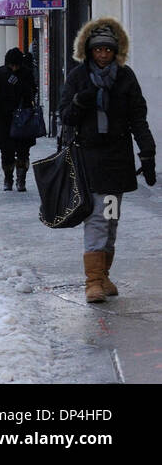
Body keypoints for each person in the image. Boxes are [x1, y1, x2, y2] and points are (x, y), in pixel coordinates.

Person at [58, 18, 156, 304]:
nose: (103, 55)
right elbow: (64, 115)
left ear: (116, 52)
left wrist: (147, 153)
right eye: (98, 50)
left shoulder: (126, 78)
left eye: (108, 50)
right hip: (89, 158)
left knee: (111, 219)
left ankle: (103, 275)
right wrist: (79, 102)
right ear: (88, 51)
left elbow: (138, 118)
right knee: (98, 218)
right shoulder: (78, 77)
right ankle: (92, 282)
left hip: (117, 160)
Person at [0, 48, 38, 191]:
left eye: (17, 65)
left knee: (23, 151)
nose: (14, 68)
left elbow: (32, 92)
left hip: (23, 119)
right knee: (6, 151)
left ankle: (21, 180)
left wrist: (19, 84)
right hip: (4, 118)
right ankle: (8, 178)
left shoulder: (26, 73)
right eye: (12, 65)